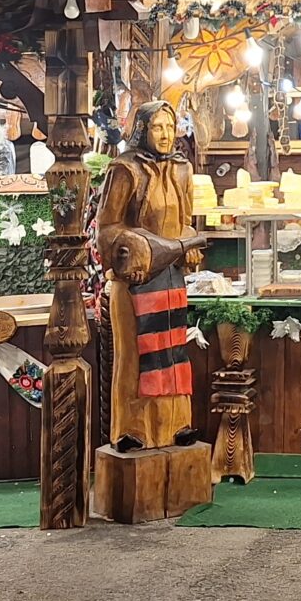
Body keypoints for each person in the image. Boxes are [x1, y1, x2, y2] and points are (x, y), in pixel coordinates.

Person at [94, 101, 207, 450]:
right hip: (136, 281)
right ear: (142, 130)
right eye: (157, 127)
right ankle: (134, 429)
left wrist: (189, 243)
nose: (165, 135)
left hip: (172, 275)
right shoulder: (124, 169)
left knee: (173, 353)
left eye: (170, 127)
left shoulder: (182, 169)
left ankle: (177, 425)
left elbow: (187, 218)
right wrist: (133, 246)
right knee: (136, 356)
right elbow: (107, 227)